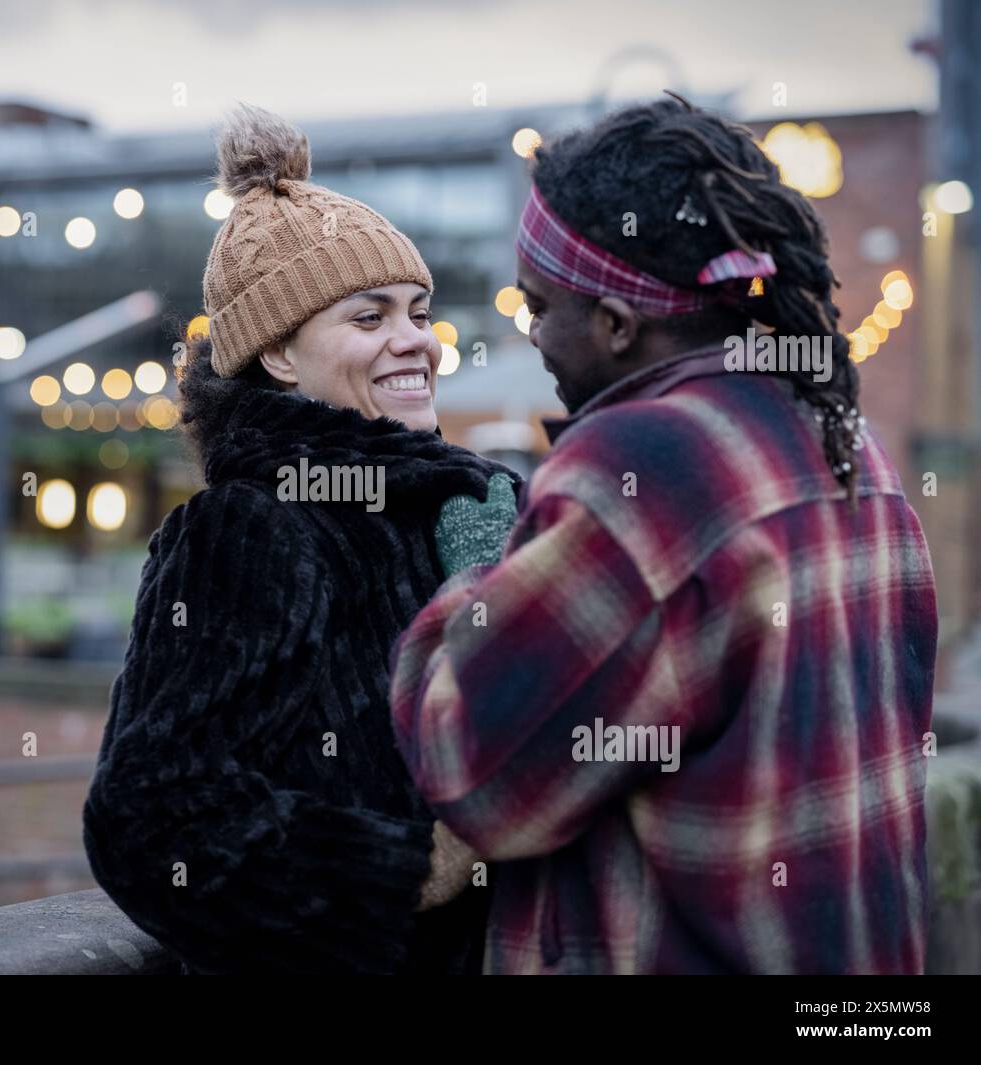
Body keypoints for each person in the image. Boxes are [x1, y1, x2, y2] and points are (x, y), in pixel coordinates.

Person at [389, 93, 939, 974]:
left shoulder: (639, 467)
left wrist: (483, 573)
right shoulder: (845, 436)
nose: (532, 335)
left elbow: (471, 768)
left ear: (615, 322)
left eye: (539, 305)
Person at [83, 104, 520, 974]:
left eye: (418, 310)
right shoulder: (250, 529)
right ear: (279, 356)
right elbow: (151, 811)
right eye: (369, 319)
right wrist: (413, 866)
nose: (416, 342)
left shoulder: (471, 502)